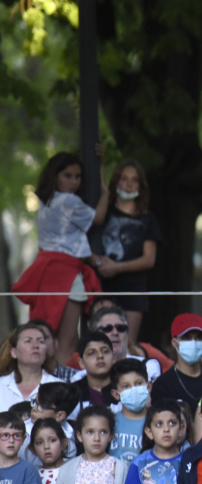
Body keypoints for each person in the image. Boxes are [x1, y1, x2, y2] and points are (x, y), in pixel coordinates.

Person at [12, 151, 108, 366]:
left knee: (44, 335)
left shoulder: (46, 199)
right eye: (68, 175)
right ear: (55, 176)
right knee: (67, 341)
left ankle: (43, 379)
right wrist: (106, 191)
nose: (74, 181)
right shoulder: (69, 201)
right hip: (64, 272)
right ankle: (61, 388)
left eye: (78, 176)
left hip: (47, 271)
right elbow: (99, 217)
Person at [90, 159, 162, 340]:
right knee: (100, 341)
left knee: (127, 344)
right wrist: (99, 263)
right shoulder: (103, 214)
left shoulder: (148, 218)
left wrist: (118, 267)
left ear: (141, 185)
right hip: (101, 286)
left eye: (134, 180)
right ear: (116, 182)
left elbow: (149, 259)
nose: (129, 185)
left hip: (133, 290)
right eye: (124, 179)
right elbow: (82, 246)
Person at [81, 304, 170, 382]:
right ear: (94, 334)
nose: (115, 333)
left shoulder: (148, 366)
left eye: (121, 328)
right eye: (107, 328)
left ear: (127, 333)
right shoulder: (81, 377)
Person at [0, 325, 61, 413]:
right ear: (13, 352)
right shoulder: (1, 385)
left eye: (41, 341)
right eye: (28, 341)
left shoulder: (59, 387)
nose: (35, 346)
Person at [20, 383, 77, 468]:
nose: (34, 408)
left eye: (42, 406)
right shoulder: (20, 428)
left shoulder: (68, 444)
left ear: (60, 415)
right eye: (35, 402)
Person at [106, 358, 151, 465]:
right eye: (126, 386)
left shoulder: (158, 423)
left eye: (138, 383)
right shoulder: (108, 423)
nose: (133, 390)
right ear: (116, 394)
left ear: (148, 387)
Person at [71, 330, 114, 408]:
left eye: (105, 351)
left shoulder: (125, 388)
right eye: (91, 353)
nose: (100, 356)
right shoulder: (72, 393)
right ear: (81, 363)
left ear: (113, 358)